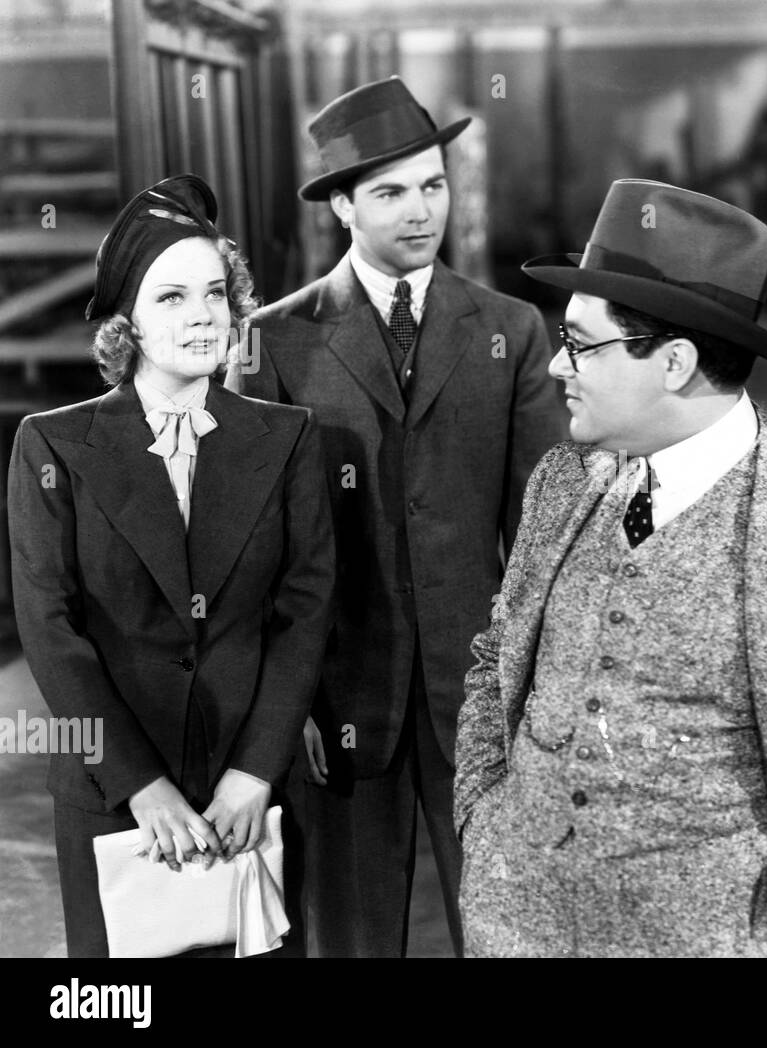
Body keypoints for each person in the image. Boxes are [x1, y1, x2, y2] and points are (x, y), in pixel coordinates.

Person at [453, 179, 767, 957]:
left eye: (580, 343)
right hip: (518, 926)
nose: (555, 366)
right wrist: (483, 819)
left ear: (675, 361)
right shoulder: (562, 482)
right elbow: (494, 660)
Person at [227, 76, 565, 957]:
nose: (421, 211)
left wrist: (537, 686)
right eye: (389, 192)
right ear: (341, 205)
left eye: (433, 185)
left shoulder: (512, 330)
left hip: (481, 692)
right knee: (349, 939)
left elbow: (544, 530)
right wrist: (280, 701)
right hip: (337, 693)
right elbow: (250, 553)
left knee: (505, 932)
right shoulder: (273, 341)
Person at [8, 174, 334, 957]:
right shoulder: (53, 445)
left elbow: (305, 609)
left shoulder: (286, 438)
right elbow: (51, 633)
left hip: (248, 793)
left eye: (215, 294)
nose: (201, 317)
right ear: (127, 322)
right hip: (116, 794)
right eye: (171, 298)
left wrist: (256, 771)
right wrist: (141, 786)